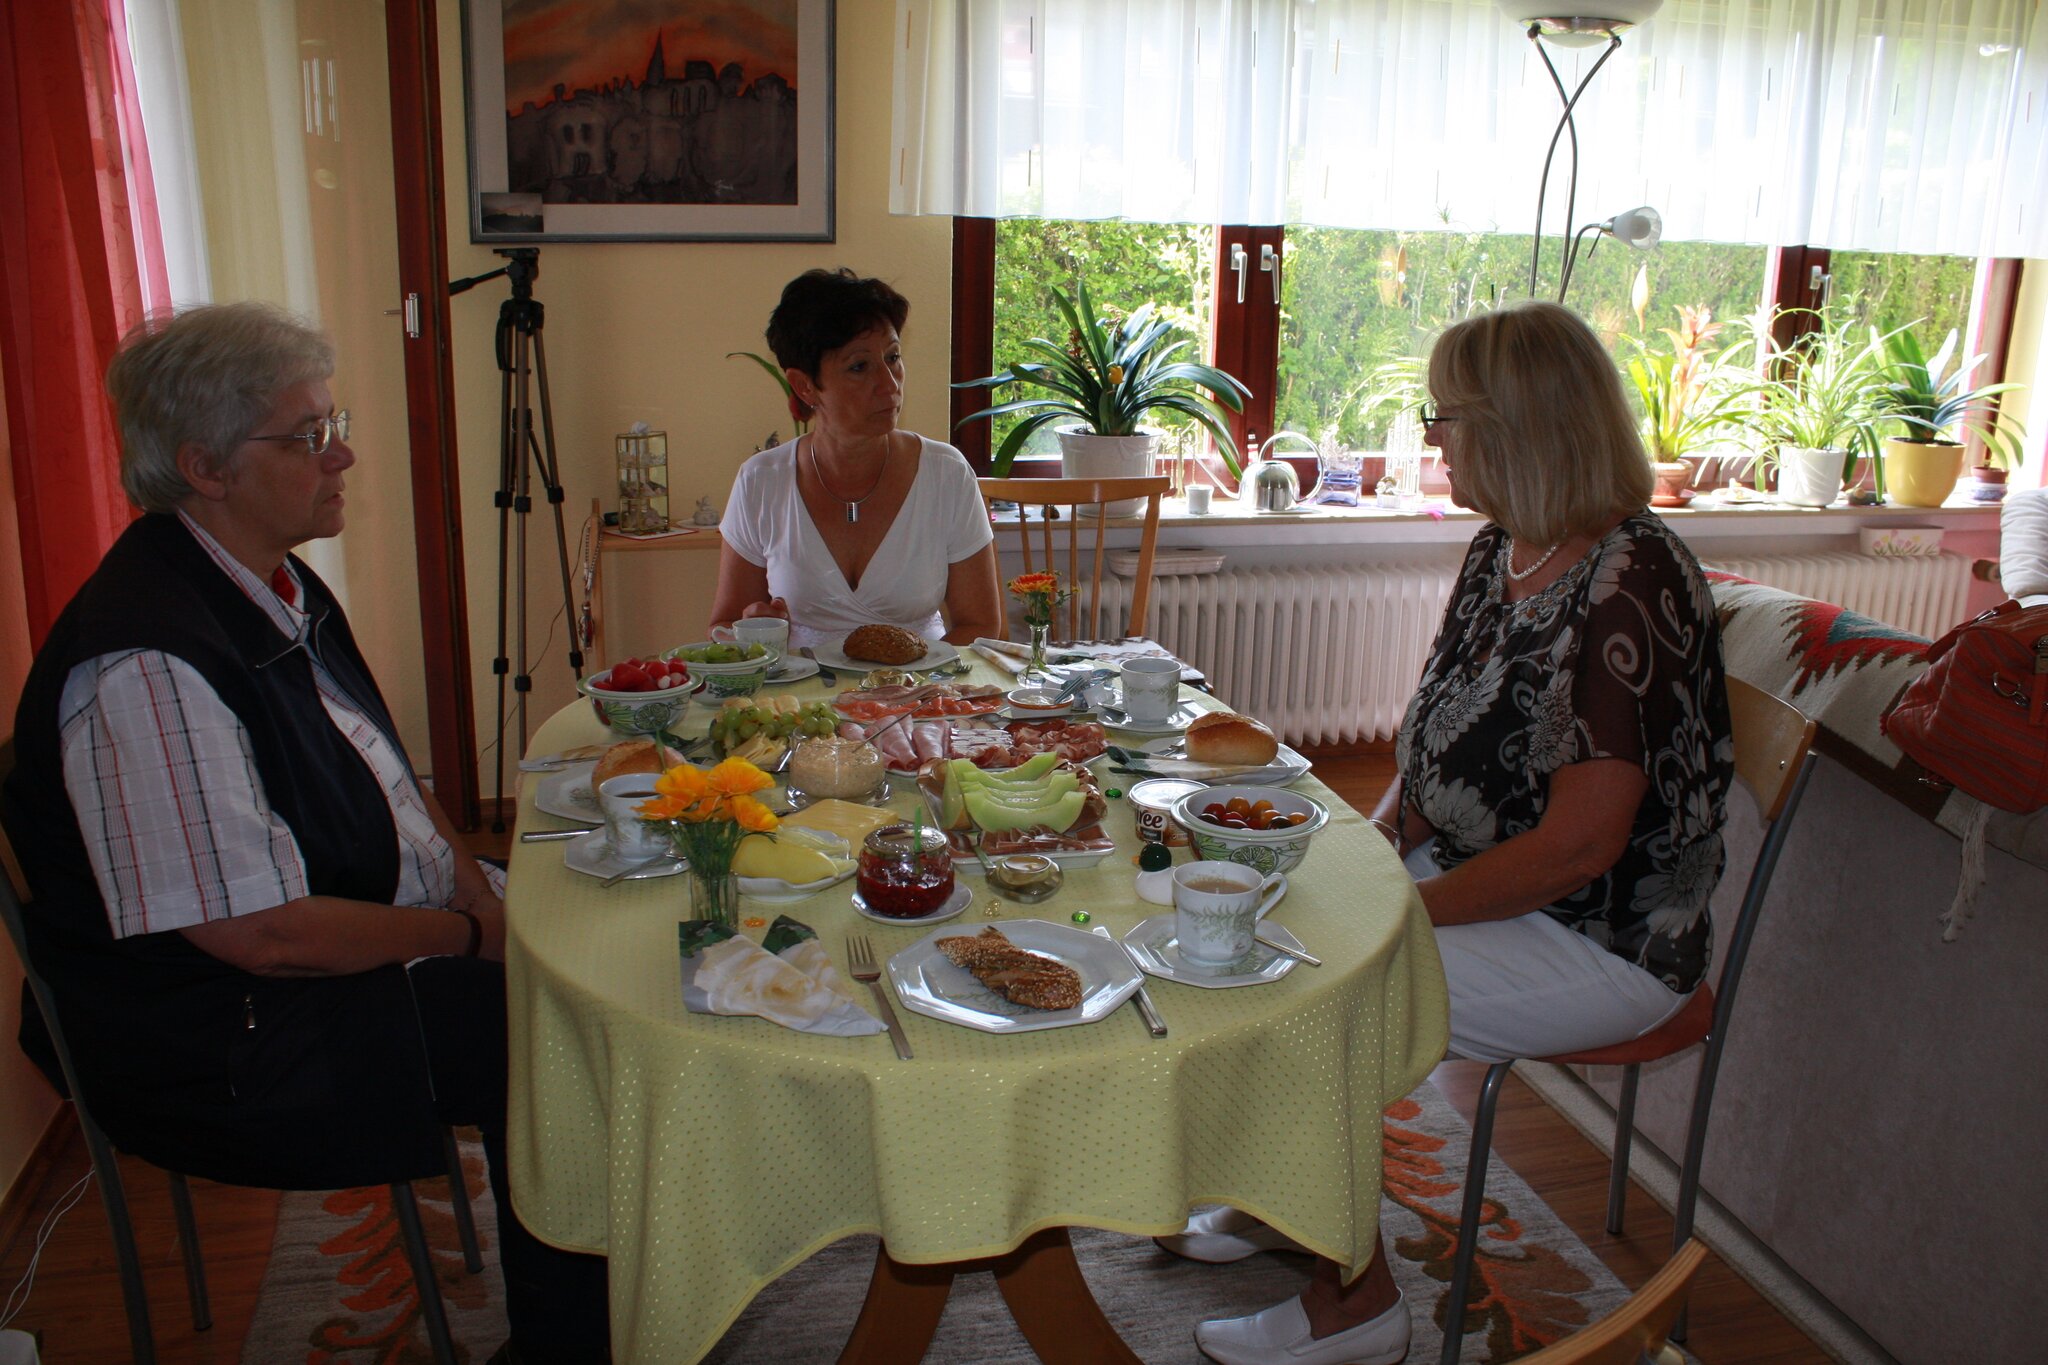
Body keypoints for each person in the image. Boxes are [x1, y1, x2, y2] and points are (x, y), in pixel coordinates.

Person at [5, 302, 608, 1363]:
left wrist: (474, 887)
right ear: (205, 466)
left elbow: (389, 771)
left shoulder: (266, 580)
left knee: (588, 903)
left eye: (335, 424)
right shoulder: (147, 663)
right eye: (308, 435)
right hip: (228, 1039)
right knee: (560, 1038)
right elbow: (260, 937)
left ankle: (609, 1273)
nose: (344, 454)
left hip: (317, 957)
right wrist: (469, 939)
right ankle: (565, 1343)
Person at [1169, 301, 1734, 1365]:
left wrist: (1388, 908)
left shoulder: (1628, 580)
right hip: (1483, 880)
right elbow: (1434, 743)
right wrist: (1369, 846)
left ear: (1519, 425)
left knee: (1310, 997)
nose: (1430, 439)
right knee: (1245, 913)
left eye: (1446, 416)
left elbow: (1581, 848)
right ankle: (1285, 1190)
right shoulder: (1499, 551)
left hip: (1598, 936)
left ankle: (1360, 1305)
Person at [709, 267, 1003, 649]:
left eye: (893, 357)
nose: (889, 383)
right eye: (859, 366)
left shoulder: (946, 473)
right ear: (805, 385)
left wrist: (907, 688)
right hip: (801, 701)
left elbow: (979, 625)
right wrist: (753, 628)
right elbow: (724, 625)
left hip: (920, 693)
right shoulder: (761, 480)